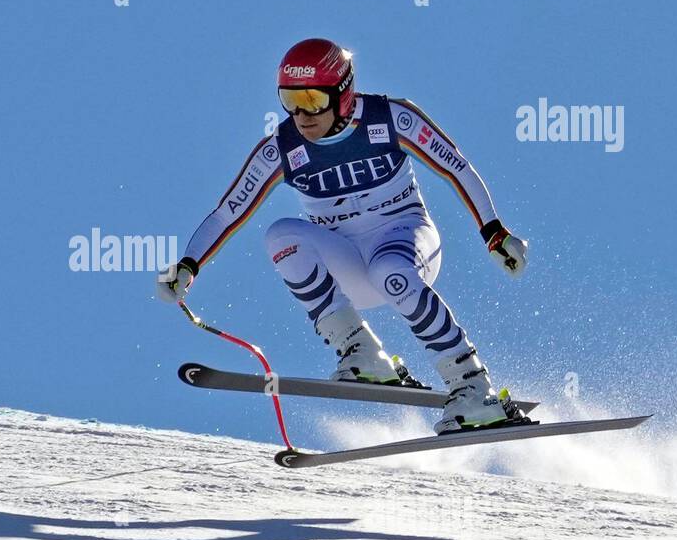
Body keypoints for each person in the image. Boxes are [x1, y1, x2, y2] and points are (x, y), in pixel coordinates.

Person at [157, 38, 529, 434]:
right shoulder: (282, 148)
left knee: (389, 269)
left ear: (344, 93)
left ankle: (474, 386)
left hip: (405, 239)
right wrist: (188, 264)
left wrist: (493, 231)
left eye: (314, 100)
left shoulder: (391, 118)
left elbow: (457, 168)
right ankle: (363, 353)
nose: (302, 114)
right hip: (348, 262)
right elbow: (228, 212)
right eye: (290, 100)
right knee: (280, 235)